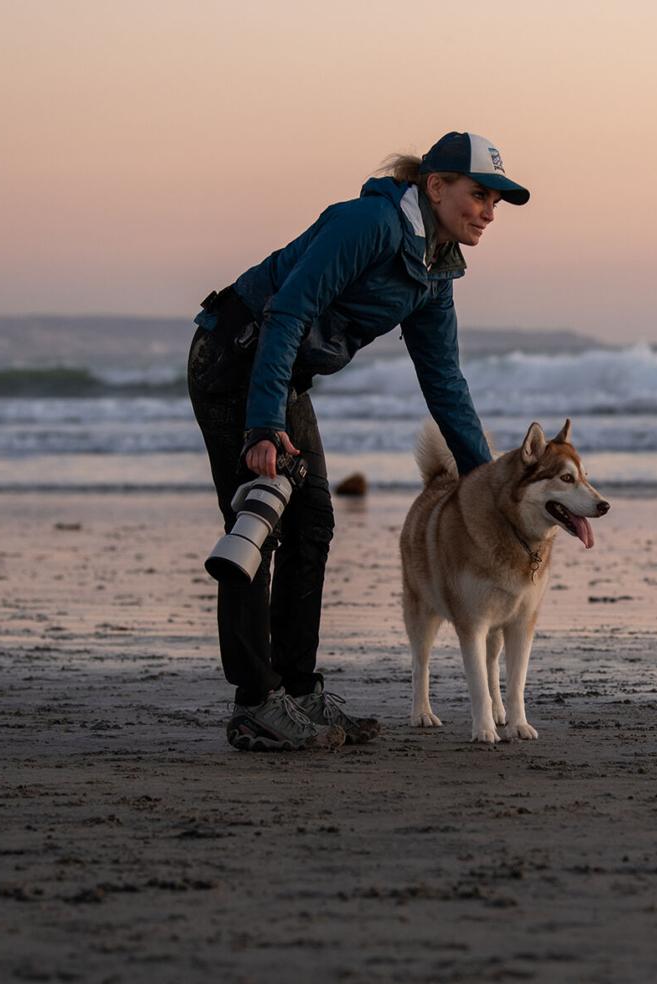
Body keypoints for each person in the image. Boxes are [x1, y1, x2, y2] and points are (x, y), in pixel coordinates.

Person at [186, 132, 531, 751]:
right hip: (237, 358)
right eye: (478, 194)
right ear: (435, 185)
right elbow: (285, 314)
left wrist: (491, 486)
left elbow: (445, 382)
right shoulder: (369, 223)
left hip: (280, 374)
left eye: (496, 203)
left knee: (314, 523)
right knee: (255, 529)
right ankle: (256, 703)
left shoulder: (435, 269)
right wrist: (263, 426)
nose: (487, 211)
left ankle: (296, 690)